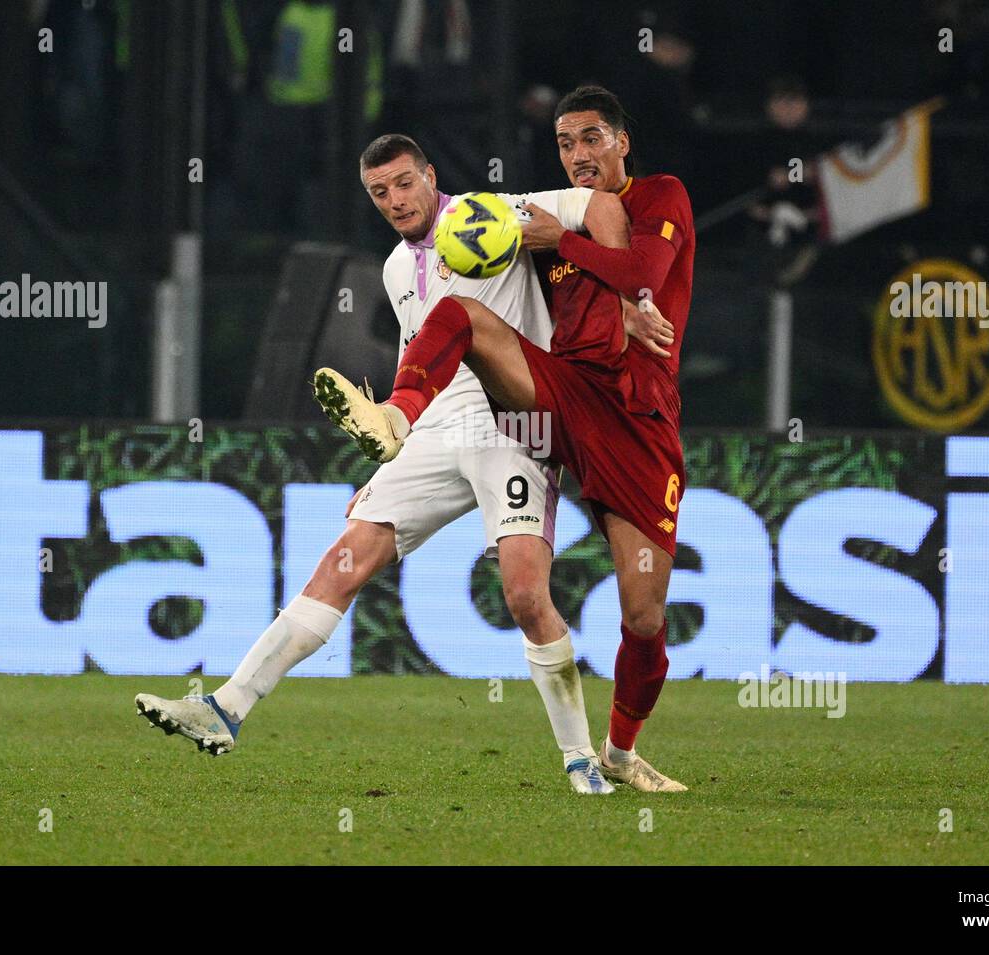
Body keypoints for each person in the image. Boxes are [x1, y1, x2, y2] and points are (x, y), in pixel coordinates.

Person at [136, 133, 636, 794]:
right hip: (432, 429)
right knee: (345, 560)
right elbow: (417, 356)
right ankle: (227, 707)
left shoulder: (491, 212)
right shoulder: (398, 268)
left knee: (523, 593)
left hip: (511, 422)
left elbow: (599, 205)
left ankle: (580, 761)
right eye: (380, 193)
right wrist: (391, 446)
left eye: (404, 183)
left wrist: (631, 294)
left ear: (430, 176)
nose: (395, 200)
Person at [313, 86, 694, 792]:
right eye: (565, 144)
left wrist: (595, 271)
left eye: (592, 139)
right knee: (460, 310)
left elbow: (642, 273)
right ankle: (394, 415)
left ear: (622, 142)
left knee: (643, 614)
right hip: (561, 391)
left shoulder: (660, 197)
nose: (579, 155)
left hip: (635, 419)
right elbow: (525, 261)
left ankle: (618, 751)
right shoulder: (538, 226)